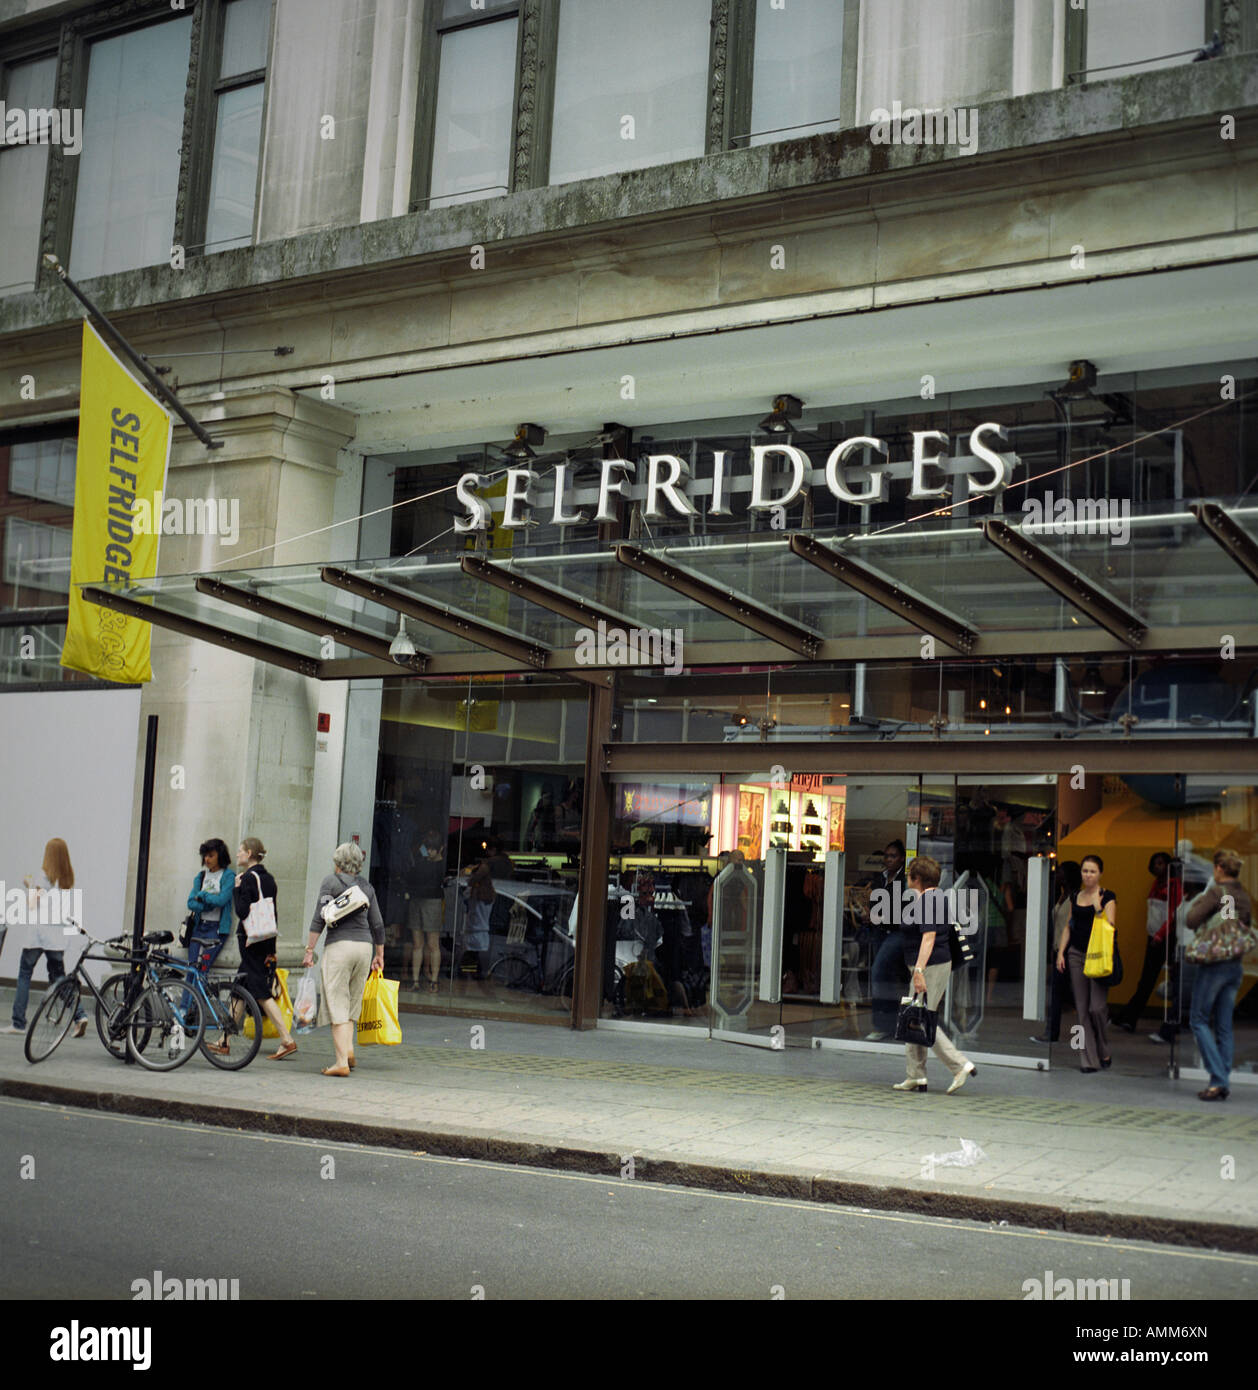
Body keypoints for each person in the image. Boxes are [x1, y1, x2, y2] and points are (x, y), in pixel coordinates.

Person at [891, 855, 977, 1094]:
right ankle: (916, 1076)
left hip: (931, 966)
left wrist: (918, 970)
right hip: (933, 964)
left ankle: (959, 1065)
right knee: (915, 1016)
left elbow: (928, 938)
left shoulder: (929, 901)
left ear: (916, 879)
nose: (907, 877)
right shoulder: (933, 898)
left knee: (920, 1018)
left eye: (909, 874)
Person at [304, 842, 385, 1075]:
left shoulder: (330, 882)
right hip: (364, 948)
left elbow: (319, 919)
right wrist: (379, 954)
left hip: (339, 947)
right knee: (351, 1003)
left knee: (337, 1003)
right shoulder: (367, 886)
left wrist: (310, 950)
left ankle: (340, 1063)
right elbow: (378, 924)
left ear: (338, 862)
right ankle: (348, 1051)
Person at [223, 837, 299, 1062]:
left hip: (250, 941)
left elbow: (243, 912)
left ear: (249, 854)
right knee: (239, 989)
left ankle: (286, 1039)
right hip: (264, 941)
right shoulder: (268, 879)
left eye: (240, 851)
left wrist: (236, 890)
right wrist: (271, 950)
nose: (237, 855)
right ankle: (224, 1040)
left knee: (260, 993)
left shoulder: (246, 879)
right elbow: (271, 917)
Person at [1186, 849, 1253, 1101]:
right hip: (1235, 965)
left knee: (1199, 1020)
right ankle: (1221, 1081)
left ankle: (1218, 1079)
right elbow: (1245, 923)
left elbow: (1191, 920)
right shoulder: (1243, 896)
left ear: (1218, 869)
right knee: (1224, 1026)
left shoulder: (1216, 892)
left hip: (1214, 964)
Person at [5, 838, 87, 1036]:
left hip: (39, 935)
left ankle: (18, 1023)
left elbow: (32, 903)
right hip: (57, 937)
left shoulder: (44, 877)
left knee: (25, 973)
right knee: (59, 977)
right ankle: (80, 1016)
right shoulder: (68, 878)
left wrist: (29, 884)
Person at [1058, 853, 1115, 1073]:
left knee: (1097, 1008)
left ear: (1100, 873)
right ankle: (1088, 1060)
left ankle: (1103, 1048)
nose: (1088, 875)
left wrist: (1098, 908)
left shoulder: (1107, 896)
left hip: (1098, 957)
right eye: (1085, 871)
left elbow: (1110, 927)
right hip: (1076, 955)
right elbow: (1068, 926)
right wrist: (1061, 953)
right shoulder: (1075, 896)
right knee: (1082, 1010)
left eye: (1092, 871)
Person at [1114, 851, 1182, 1035]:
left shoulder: (1173, 886)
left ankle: (1130, 1017)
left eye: (1161, 863)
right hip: (1155, 937)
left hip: (1165, 938)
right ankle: (1129, 1016)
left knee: (1154, 980)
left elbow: (1173, 915)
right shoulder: (1158, 884)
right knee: (1148, 980)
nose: (1157, 867)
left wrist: (1159, 936)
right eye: (1155, 863)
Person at [182, 839, 235, 1015]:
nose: (207, 859)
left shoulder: (228, 876)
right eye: (205, 855)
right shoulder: (201, 876)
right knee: (191, 969)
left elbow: (222, 900)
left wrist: (203, 896)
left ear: (220, 856)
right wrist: (208, 903)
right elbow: (191, 903)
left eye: (211, 855)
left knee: (203, 969)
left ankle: (194, 1011)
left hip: (216, 929)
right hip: (199, 926)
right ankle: (183, 1010)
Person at [1030, 860, 1081, 1044]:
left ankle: (1053, 1032)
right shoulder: (1062, 895)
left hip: (1068, 951)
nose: (1056, 875)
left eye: (1060, 872)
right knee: (1061, 993)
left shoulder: (1076, 897)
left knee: (1061, 993)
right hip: (1058, 950)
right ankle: (1052, 1032)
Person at [866, 840, 906, 1040]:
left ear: (902, 858)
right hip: (880, 931)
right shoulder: (879, 878)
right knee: (886, 977)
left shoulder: (905, 880)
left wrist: (884, 915)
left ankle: (881, 1025)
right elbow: (874, 904)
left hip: (898, 932)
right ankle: (889, 1023)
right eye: (887, 855)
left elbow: (905, 910)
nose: (889, 860)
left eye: (893, 856)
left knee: (879, 971)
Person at [407, 829, 446, 993]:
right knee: (418, 944)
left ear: (440, 848)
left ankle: (434, 980)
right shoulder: (422, 859)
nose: (429, 851)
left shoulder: (441, 864)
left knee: (432, 943)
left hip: (432, 901)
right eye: (427, 847)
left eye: (432, 848)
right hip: (418, 900)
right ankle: (416, 981)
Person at [462, 860, 496, 983]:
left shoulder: (472, 892)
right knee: (475, 957)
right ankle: (477, 976)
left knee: (469, 956)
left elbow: (465, 897)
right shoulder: (491, 893)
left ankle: (466, 975)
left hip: (472, 928)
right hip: (484, 929)